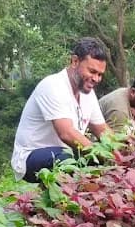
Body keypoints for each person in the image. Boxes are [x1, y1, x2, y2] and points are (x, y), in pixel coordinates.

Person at [11, 37, 111, 182]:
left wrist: (120, 153)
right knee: (71, 157)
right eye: (92, 71)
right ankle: (64, 200)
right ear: (75, 61)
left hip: (64, 152)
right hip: (30, 158)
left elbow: (102, 130)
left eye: (100, 74)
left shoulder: (87, 92)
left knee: (93, 159)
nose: (96, 79)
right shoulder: (53, 86)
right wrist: (101, 154)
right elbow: (66, 134)